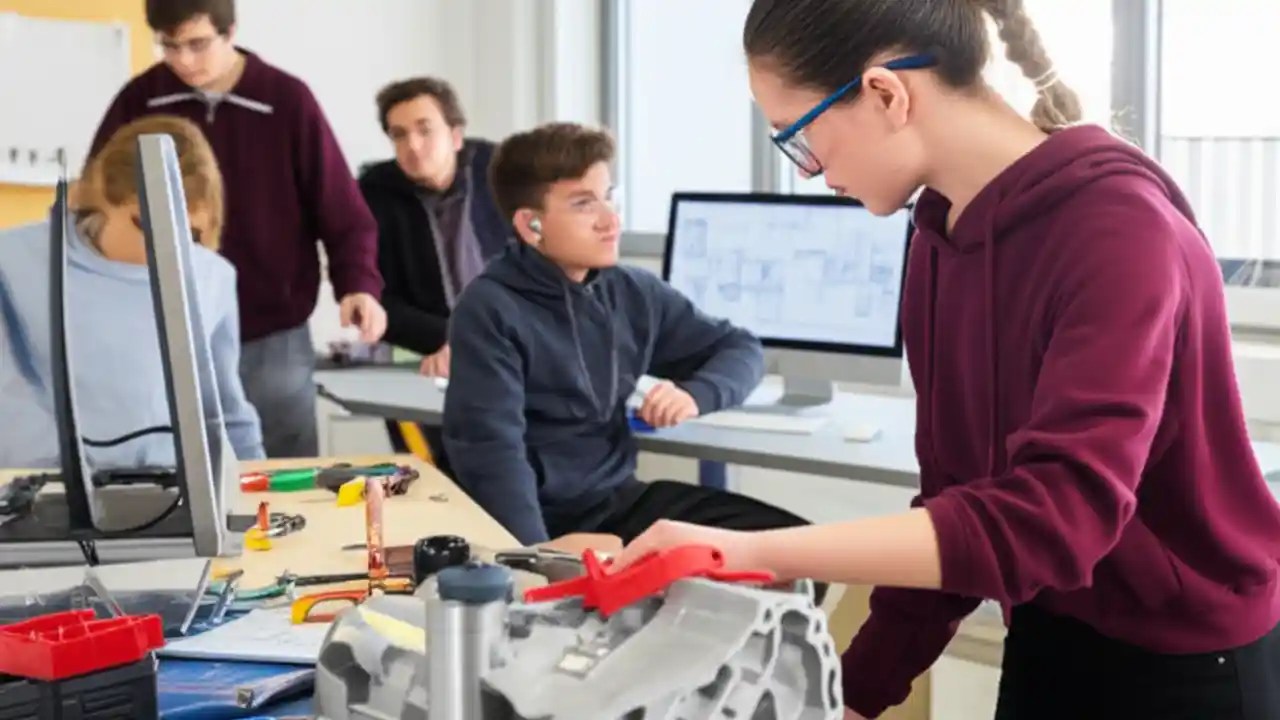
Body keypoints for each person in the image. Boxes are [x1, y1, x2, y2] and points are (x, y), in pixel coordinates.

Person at [613, 1, 1280, 719]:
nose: (809, 171)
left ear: (885, 94)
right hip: (1050, 628)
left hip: (1184, 662)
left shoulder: (1119, 233)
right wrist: (851, 694)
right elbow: (963, 506)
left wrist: (749, 552)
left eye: (799, 138)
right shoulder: (942, 235)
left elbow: (1053, 523)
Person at [442, 123, 819, 576]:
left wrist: (696, 394)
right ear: (530, 224)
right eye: (584, 204)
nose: (610, 219)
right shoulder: (489, 309)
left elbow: (740, 349)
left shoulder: (630, 292)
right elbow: (492, 453)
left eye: (609, 197)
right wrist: (537, 562)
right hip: (544, 520)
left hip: (621, 504)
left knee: (794, 556)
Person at [87, 0, 386, 458]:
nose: (183, 60)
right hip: (164, 328)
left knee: (284, 476)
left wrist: (358, 285)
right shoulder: (140, 101)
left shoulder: (286, 100)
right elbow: (93, 199)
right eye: (169, 46)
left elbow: (343, 212)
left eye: (197, 44)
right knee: (167, 471)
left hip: (272, 332)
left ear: (230, 32)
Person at [0, 115, 264, 469]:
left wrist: (257, 485)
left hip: (174, 495)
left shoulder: (212, 276)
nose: (169, 249)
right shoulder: (13, 262)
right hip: (43, 495)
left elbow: (225, 409)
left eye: (190, 234)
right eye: (148, 224)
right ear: (102, 198)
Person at [359, 77, 509, 470]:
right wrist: (447, 340)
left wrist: (475, 342)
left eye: (425, 129)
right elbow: (378, 298)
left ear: (456, 135)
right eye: (399, 134)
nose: (413, 145)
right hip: (421, 359)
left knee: (502, 471)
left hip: (505, 352)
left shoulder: (502, 176)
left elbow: (534, 274)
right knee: (431, 477)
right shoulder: (374, 193)